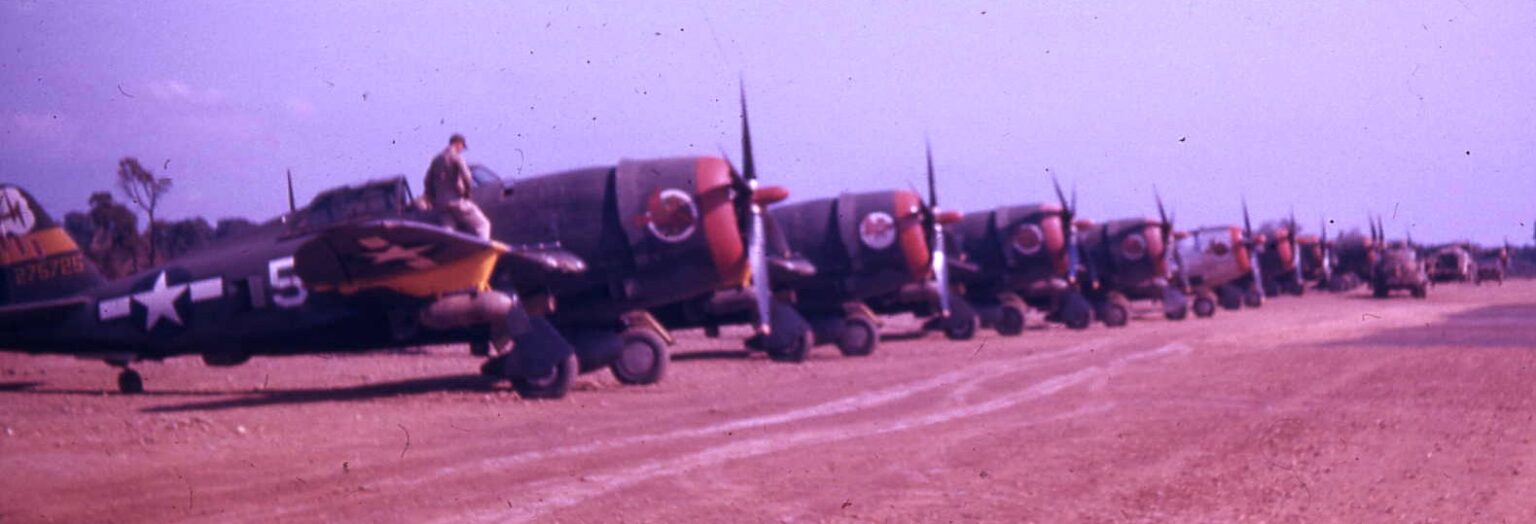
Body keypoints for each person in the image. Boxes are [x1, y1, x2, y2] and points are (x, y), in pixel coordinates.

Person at [422, 134, 491, 240]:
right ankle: (483, 250)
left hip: (441, 205)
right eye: (462, 147)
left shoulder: (436, 160)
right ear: (458, 144)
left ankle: (450, 253)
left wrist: (431, 198)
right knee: (483, 225)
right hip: (456, 202)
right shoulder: (456, 157)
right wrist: (467, 193)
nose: (462, 150)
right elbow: (467, 176)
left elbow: (427, 181)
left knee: (449, 232)